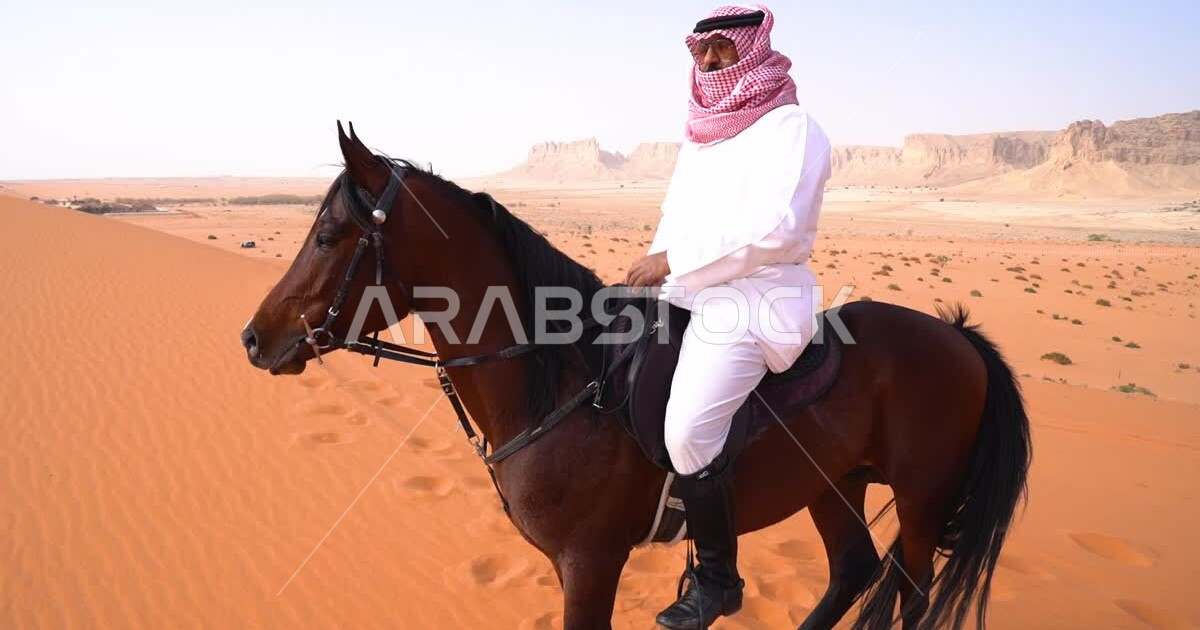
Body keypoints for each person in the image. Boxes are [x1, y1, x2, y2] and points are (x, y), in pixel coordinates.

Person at [624, 4, 832, 628]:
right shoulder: (702, 131)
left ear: (754, 46)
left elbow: (778, 230)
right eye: (700, 50)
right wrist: (653, 278)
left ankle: (717, 582)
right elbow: (676, 217)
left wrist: (671, 261)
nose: (710, 60)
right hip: (685, 292)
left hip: (753, 301)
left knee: (687, 431)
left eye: (722, 47)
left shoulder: (792, 127)